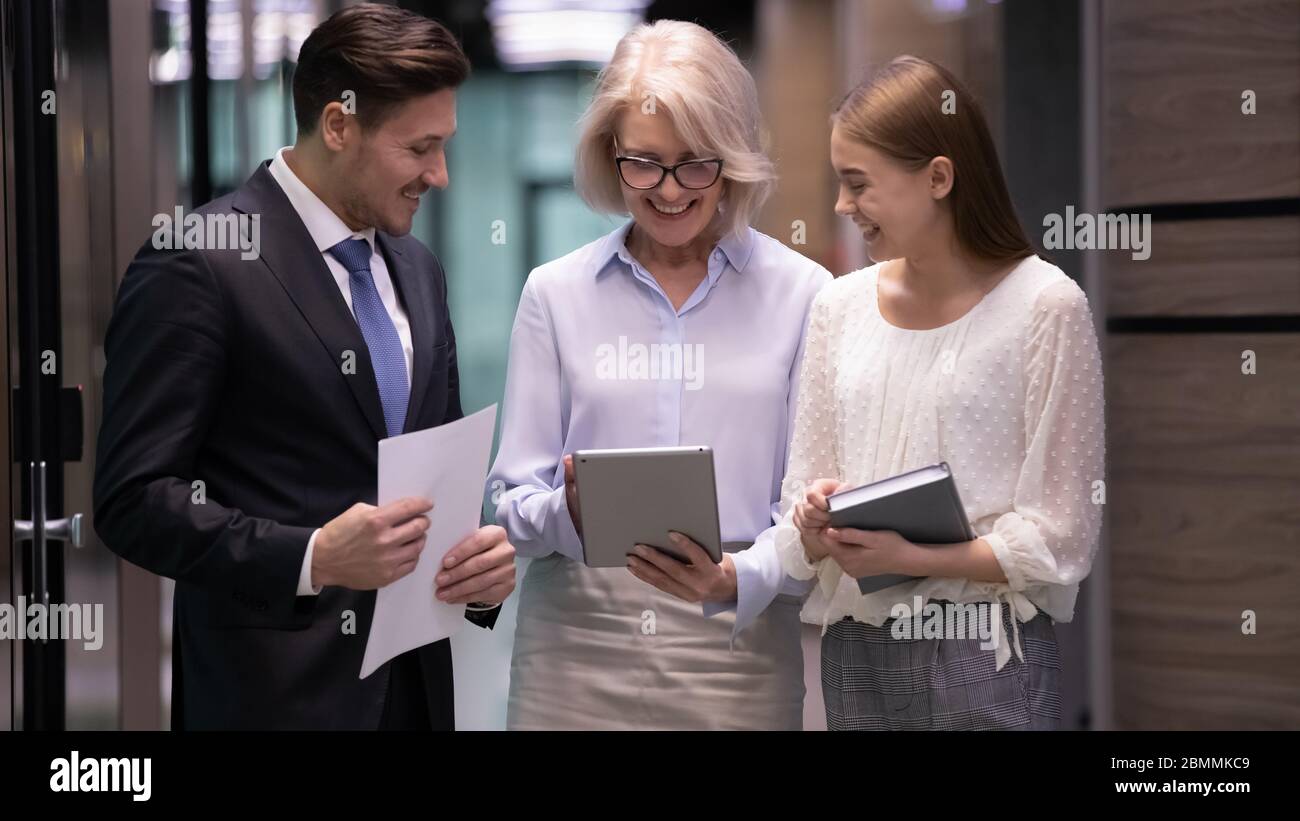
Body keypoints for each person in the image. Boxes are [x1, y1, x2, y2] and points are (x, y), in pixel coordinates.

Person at [93, 4, 515, 730]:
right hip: (270, 700)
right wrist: (313, 556)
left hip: (414, 695)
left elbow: (433, 479)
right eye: (420, 148)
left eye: (444, 146)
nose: (439, 175)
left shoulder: (417, 270)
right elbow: (133, 501)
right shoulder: (198, 263)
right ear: (339, 124)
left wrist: (479, 579)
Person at [488, 20, 831, 729]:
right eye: (643, 163)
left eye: (694, 163)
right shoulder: (555, 295)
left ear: (732, 157)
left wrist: (742, 576)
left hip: (737, 645)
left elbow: (809, 506)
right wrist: (566, 513)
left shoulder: (805, 295)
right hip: (575, 647)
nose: (669, 190)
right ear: (608, 153)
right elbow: (510, 498)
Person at [780, 56, 1105, 730]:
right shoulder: (837, 308)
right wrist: (813, 519)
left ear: (938, 177)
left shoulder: (1046, 306)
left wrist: (914, 558)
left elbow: (1062, 535)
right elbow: (801, 497)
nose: (843, 206)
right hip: (857, 651)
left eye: (857, 184)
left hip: (988, 651)